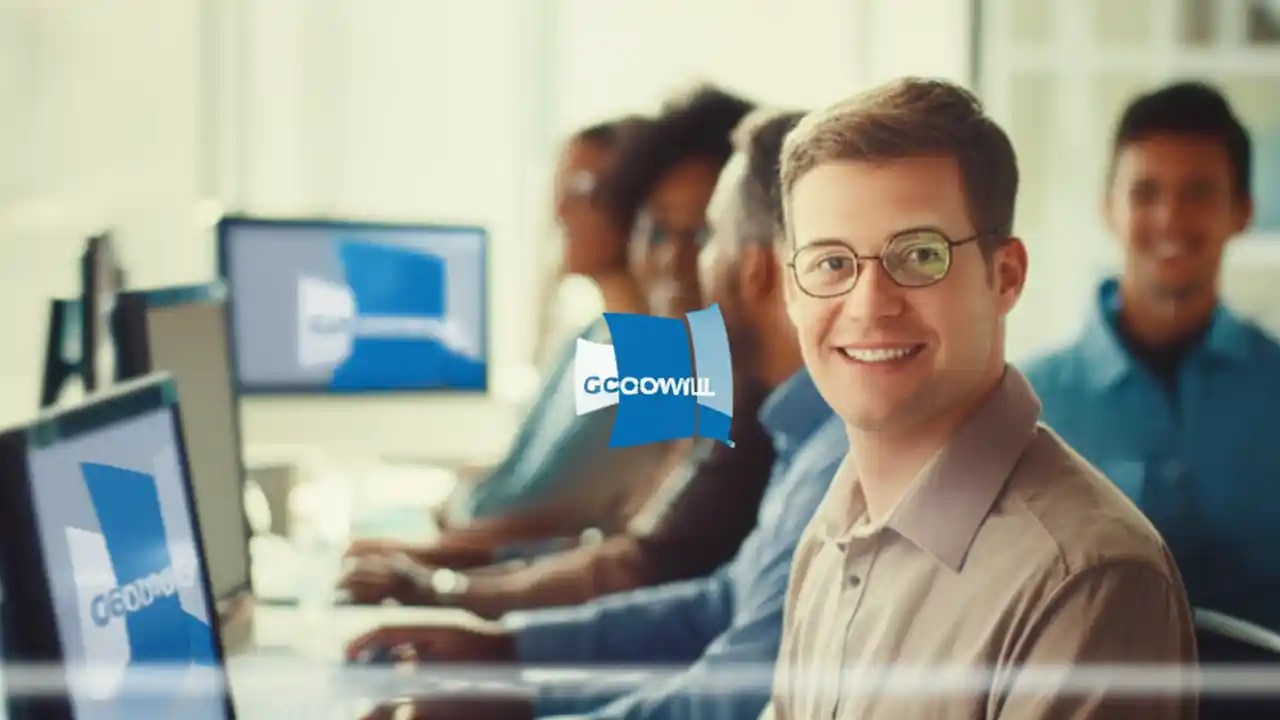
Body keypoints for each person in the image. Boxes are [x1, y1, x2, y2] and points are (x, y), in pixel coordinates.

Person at [352, 109, 849, 720]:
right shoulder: (616, 344)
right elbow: (701, 597)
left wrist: (454, 593)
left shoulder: (674, 364)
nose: (563, 208)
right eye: (659, 229)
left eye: (702, 236)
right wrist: (500, 652)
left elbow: (637, 559)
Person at [765, 78, 1196, 719]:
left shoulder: (1085, 579)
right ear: (792, 291)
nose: (870, 305)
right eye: (831, 263)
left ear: (1006, 276)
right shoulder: (832, 533)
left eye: (919, 255)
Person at [340, 89, 768, 606]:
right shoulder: (600, 335)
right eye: (658, 230)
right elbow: (608, 539)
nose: (560, 207)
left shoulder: (661, 355)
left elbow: (609, 545)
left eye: (587, 189)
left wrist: (447, 576)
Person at [1023, 81, 1280, 632]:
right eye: (1145, 192)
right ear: (1108, 208)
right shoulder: (1024, 404)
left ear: (1243, 211)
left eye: (1198, 192)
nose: (1169, 217)